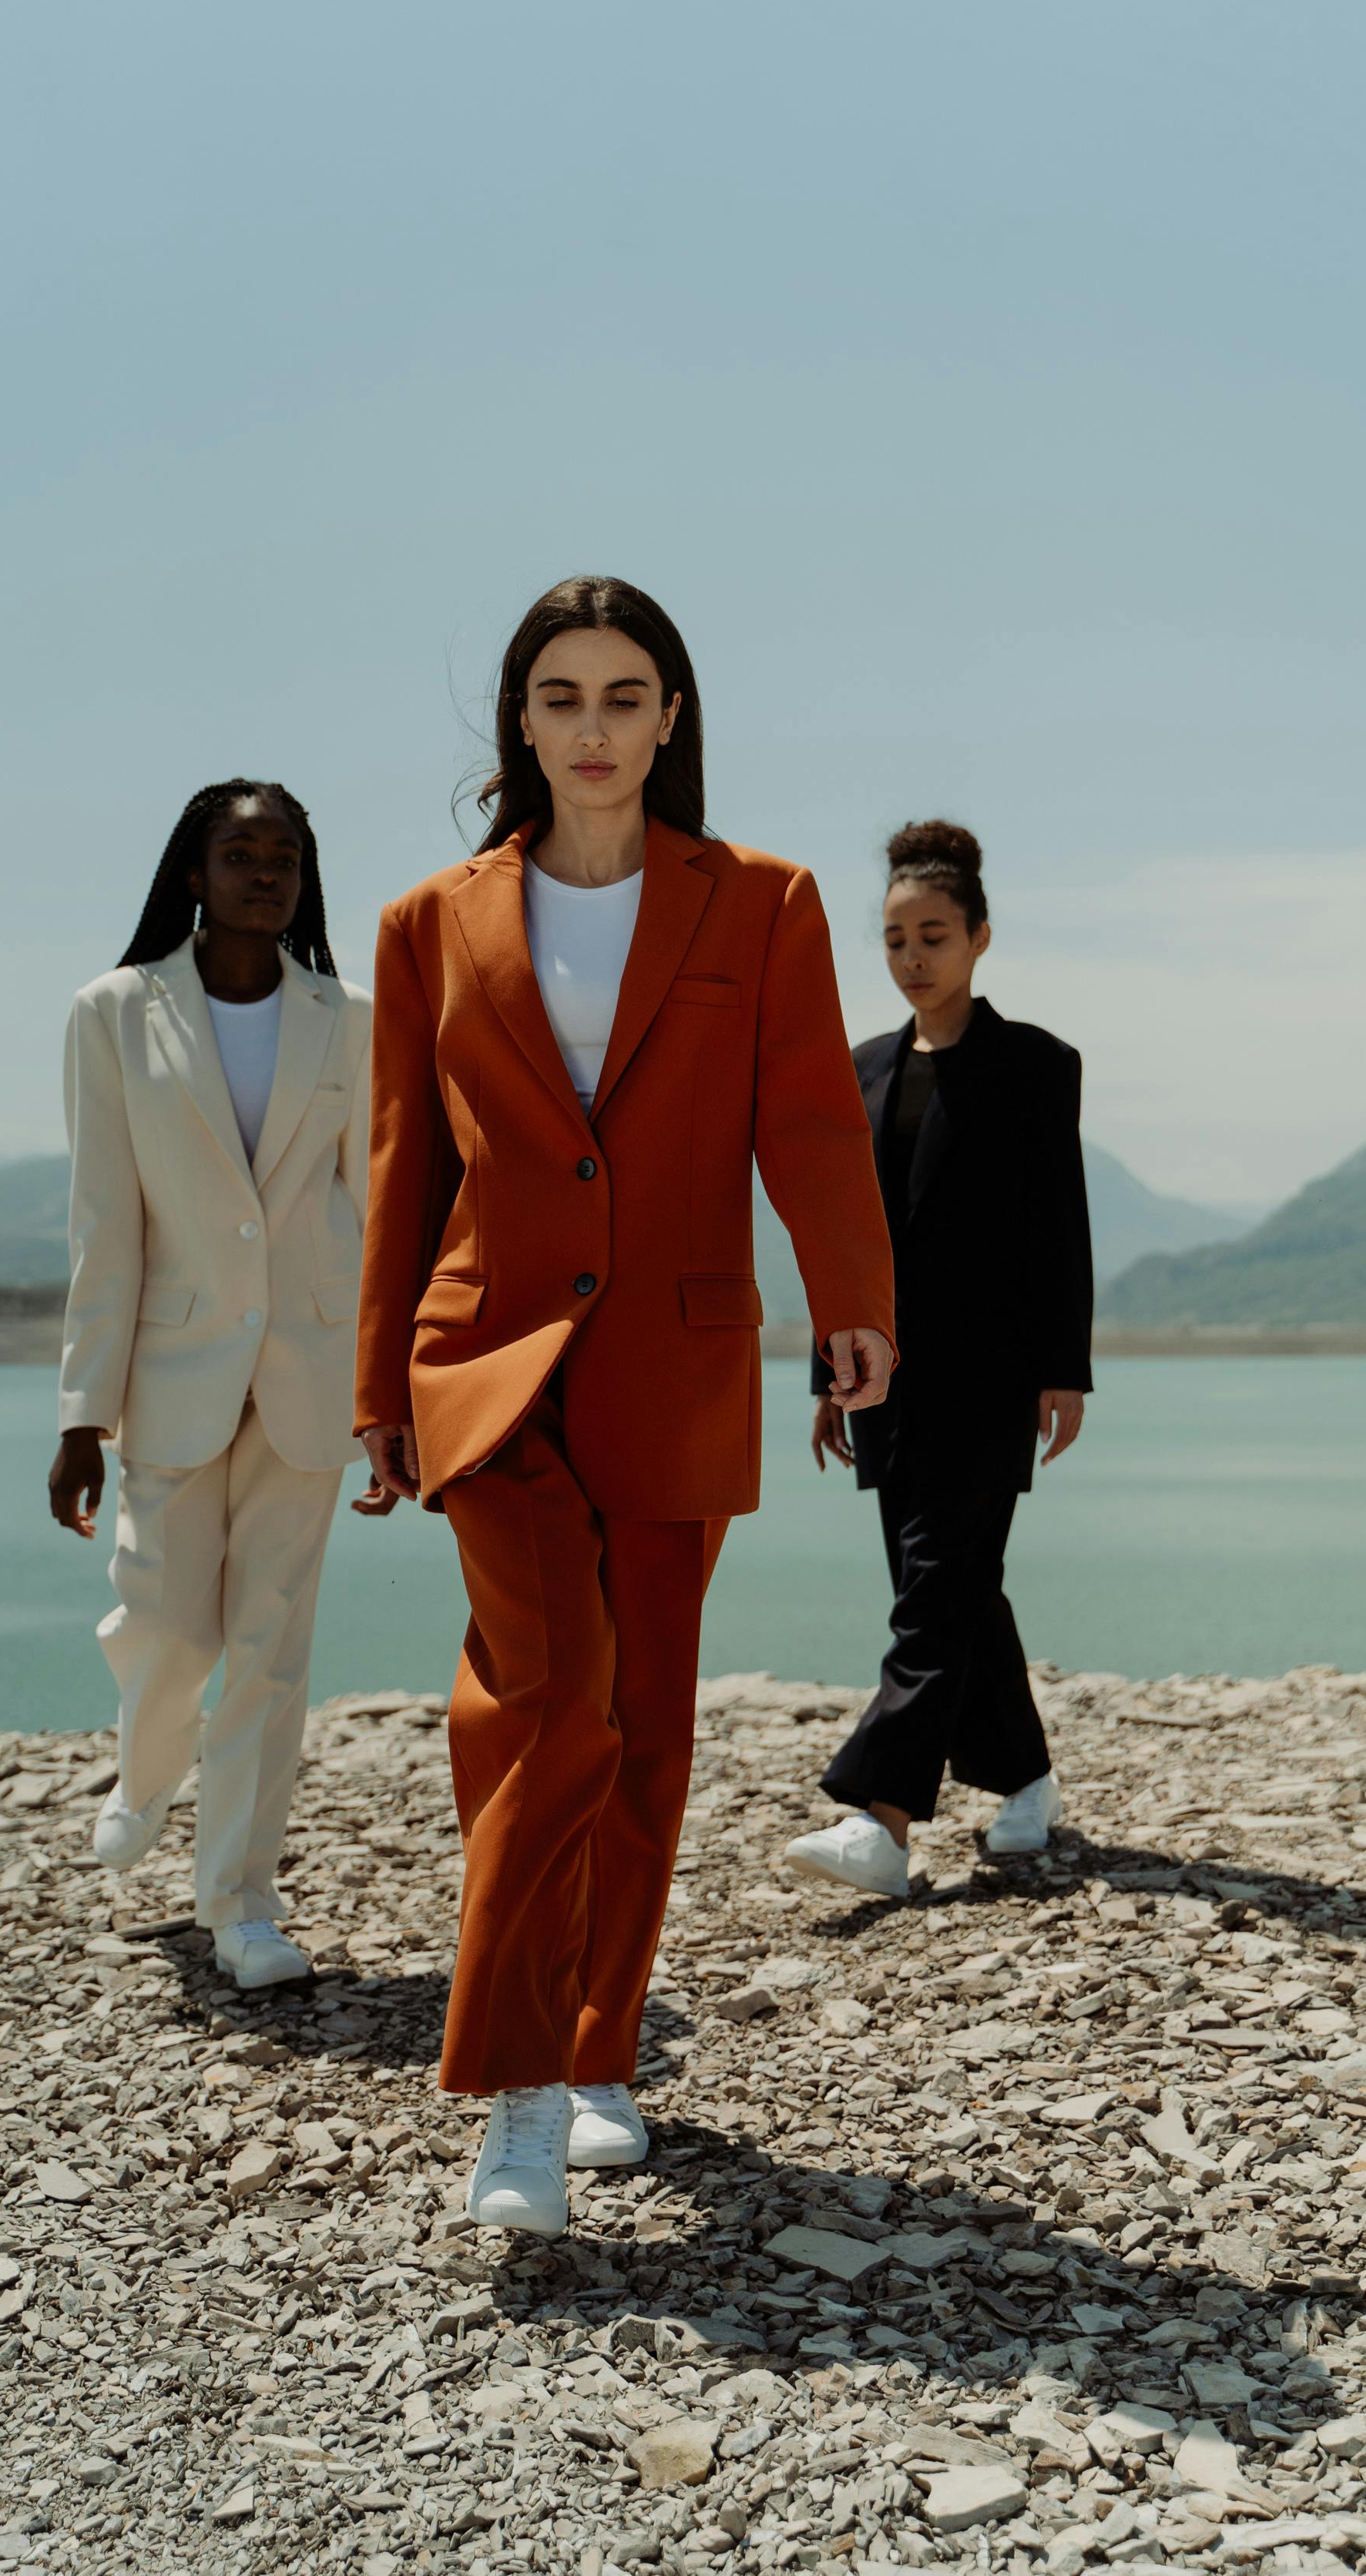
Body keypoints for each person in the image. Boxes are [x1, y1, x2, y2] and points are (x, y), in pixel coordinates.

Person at [355, 575, 895, 2237]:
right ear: (521, 719)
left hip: (677, 1356)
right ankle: (514, 2095)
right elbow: (404, 1166)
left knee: (643, 1719)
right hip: (486, 1360)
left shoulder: (764, 902)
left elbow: (807, 1123)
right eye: (563, 696)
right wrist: (380, 1383)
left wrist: (854, 1301)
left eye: (626, 695)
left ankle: (602, 2053)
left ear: (672, 718)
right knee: (551, 1692)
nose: (595, 728)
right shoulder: (425, 921)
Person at [49, 781, 393, 1990]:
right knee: (164, 1623)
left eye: (283, 855)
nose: (263, 872)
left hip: (307, 1375)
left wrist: (383, 1395)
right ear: (192, 872)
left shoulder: (349, 1018)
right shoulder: (113, 1014)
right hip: (173, 1371)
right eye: (238, 852)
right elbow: (104, 1220)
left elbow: (380, 1211)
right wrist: (81, 1412)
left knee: (268, 1650)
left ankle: (241, 1902)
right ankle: (145, 1773)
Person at [785, 820, 1092, 1901]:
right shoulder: (856, 1071)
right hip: (882, 1383)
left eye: (932, 934)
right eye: (893, 939)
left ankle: (880, 1822)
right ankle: (1023, 1777)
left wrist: (1064, 1368)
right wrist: (827, 1374)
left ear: (978, 939)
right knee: (952, 1586)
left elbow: (1058, 1222)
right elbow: (837, 1235)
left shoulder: (1035, 1067)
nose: (911, 956)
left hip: (992, 1375)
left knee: (932, 1592)